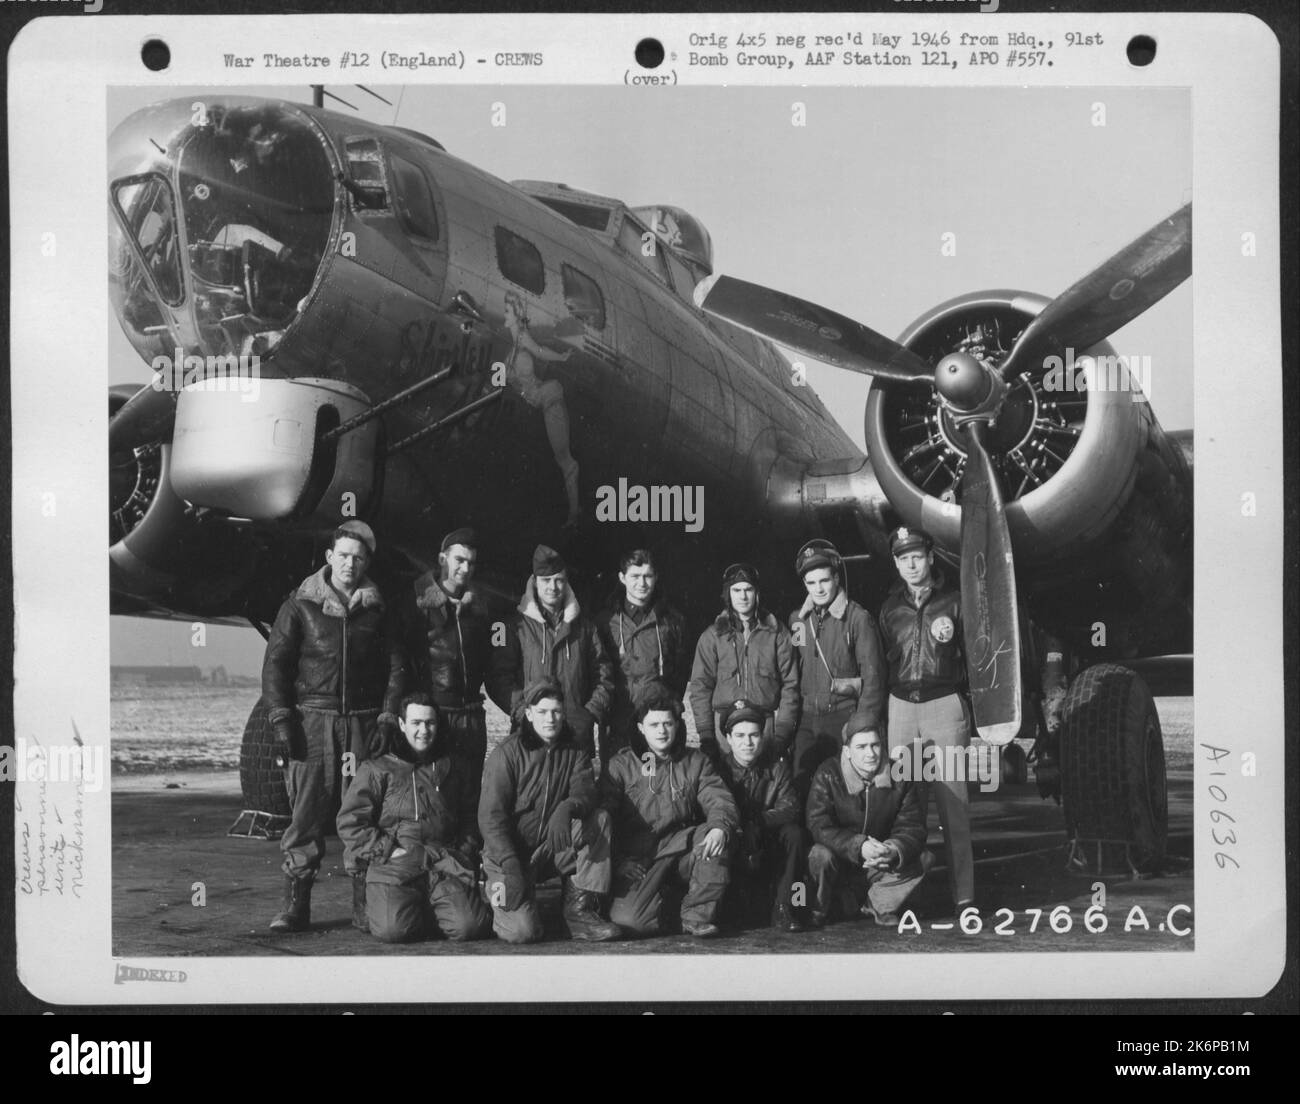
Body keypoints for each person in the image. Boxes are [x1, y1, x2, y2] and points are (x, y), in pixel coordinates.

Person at [261, 520, 406, 933]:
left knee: (360, 815)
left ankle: (363, 906)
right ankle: (295, 906)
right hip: (313, 723)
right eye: (343, 555)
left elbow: (397, 666)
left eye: (358, 557)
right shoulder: (300, 606)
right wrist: (282, 719)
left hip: (361, 725)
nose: (350, 563)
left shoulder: (377, 609)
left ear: (366, 563)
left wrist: (387, 716)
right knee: (305, 815)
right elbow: (276, 666)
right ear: (329, 557)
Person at [336, 693, 491, 943]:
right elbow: (351, 821)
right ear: (402, 724)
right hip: (395, 862)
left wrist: (464, 850)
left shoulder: (452, 766)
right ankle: (405, 906)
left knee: (470, 927)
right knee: (393, 931)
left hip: (442, 860)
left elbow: (471, 814)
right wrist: (386, 849)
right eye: (416, 723)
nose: (423, 730)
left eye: (429, 723)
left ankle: (432, 907)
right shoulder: (378, 768)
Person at [877, 525, 975, 914]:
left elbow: (976, 658)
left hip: (944, 705)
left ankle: (964, 896)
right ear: (896, 564)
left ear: (931, 558)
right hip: (901, 708)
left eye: (917, 555)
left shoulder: (955, 602)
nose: (911, 563)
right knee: (905, 805)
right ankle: (905, 894)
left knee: (954, 804)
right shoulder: (889, 609)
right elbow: (886, 663)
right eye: (903, 558)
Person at [478, 678, 622, 944]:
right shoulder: (506, 755)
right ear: (529, 713)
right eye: (542, 712)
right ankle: (494, 898)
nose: (550, 719)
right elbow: (491, 819)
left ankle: (579, 913)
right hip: (509, 856)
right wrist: (510, 863)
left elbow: (586, 790)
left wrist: (568, 807)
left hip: (549, 848)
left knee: (599, 819)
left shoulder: (574, 750)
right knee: (523, 932)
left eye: (556, 711)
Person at [603, 684, 739, 938]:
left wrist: (721, 826)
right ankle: (667, 902)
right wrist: (618, 860)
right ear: (641, 728)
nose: (662, 731)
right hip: (640, 858)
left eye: (667, 723)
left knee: (716, 838)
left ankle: (696, 917)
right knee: (630, 922)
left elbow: (718, 799)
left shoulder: (696, 761)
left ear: (677, 724)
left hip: (681, 848)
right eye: (654, 725)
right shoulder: (621, 766)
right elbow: (603, 818)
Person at [401, 527, 516, 805]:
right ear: (442, 559)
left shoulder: (481, 610)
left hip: (472, 718)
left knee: (469, 792)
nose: (465, 568)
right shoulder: (416, 605)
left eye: (471, 563)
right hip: (435, 715)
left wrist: (518, 706)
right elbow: (401, 662)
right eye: (459, 560)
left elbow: (494, 669)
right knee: (434, 794)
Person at [806, 722, 932, 927]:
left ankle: (877, 903)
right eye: (861, 747)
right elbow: (818, 824)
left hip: (878, 863)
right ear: (847, 751)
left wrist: (892, 849)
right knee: (819, 855)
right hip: (840, 861)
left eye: (875, 745)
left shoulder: (899, 774)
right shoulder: (828, 773)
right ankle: (821, 908)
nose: (871, 753)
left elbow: (912, 826)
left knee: (924, 858)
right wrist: (858, 845)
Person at [788, 539, 887, 795]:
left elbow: (873, 677)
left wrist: (862, 726)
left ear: (836, 577)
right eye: (811, 583)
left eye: (824, 580)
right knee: (802, 787)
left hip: (843, 717)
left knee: (844, 791)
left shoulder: (857, 619)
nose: (818, 589)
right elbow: (792, 671)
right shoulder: (797, 621)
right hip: (807, 720)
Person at [508, 545, 615, 761]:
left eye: (559, 580)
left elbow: (603, 675)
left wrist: (589, 713)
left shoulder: (585, 628)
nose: (553, 587)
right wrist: (522, 712)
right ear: (535, 582)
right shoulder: (516, 627)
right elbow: (500, 677)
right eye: (546, 580)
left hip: (575, 736)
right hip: (530, 735)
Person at [688, 562, 799, 764]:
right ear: (727, 594)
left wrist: (782, 733)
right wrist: (706, 734)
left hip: (765, 725)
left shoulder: (777, 633)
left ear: (757, 592)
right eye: (736, 590)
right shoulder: (713, 636)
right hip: (725, 726)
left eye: (748, 589)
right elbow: (700, 687)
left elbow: (791, 685)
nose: (743, 596)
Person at [715, 700, 806, 933]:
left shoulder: (776, 767)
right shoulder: (716, 770)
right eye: (740, 735)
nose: (748, 743)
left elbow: (791, 807)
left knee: (793, 834)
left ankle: (785, 908)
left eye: (754, 735)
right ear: (728, 738)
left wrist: (759, 821)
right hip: (735, 843)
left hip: (766, 843)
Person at [595, 548, 691, 755]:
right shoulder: (606, 621)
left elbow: (681, 670)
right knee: (617, 779)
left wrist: (668, 703)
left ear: (656, 577)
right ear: (622, 578)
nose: (642, 583)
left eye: (647, 576)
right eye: (635, 576)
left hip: (657, 719)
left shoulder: (672, 621)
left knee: (658, 780)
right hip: (618, 719)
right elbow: (599, 668)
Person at [502, 291, 581, 526]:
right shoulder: (510, 352)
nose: (505, 314)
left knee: (564, 459)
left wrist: (562, 357)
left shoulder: (522, 338)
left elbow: (540, 351)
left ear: (516, 315)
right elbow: (502, 380)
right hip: (538, 406)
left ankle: (575, 511)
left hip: (549, 399)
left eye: (508, 310)